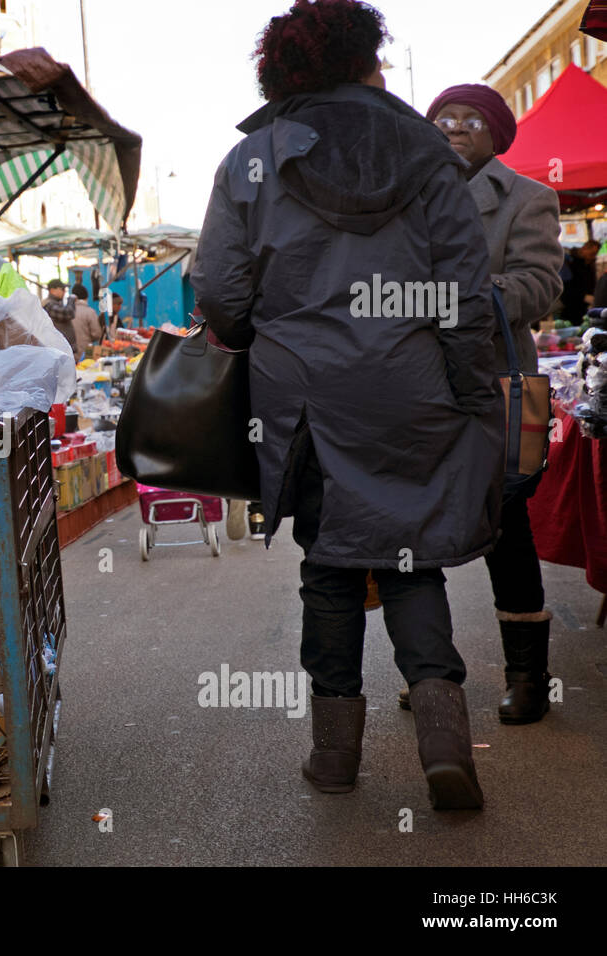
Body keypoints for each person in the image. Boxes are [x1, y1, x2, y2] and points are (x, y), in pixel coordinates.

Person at [191, 0, 504, 810]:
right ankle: (443, 742)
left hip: (303, 403)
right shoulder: (428, 154)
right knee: (411, 558)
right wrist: (475, 402)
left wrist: (277, 328)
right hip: (411, 389)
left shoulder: (253, 159)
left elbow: (221, 293)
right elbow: (467, 298)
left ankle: (334, 760)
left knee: (329, 569)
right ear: (367, 59)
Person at [420, 84, 565, 724]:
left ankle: (528, 678)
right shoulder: (409, 198)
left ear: (497, 135)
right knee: (417, 529)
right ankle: (430, 675)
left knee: (506, 529)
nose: (453, 126)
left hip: (501, 386)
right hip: (419, 388)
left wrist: (449, 296)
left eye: (470, 119)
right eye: (442, 117)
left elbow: (538, 287)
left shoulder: (528, 198)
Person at [560, 240, 601, 324]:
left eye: (595, 254)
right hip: (573, 311)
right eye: (591, 254)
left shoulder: (589, 267)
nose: (593, 257)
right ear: (583, 249)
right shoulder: (572, 265)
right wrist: (583, 296)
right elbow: (566, 290)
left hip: (587, 310)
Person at [41, 279, 79, 355]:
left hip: (62, 350)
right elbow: (68, 313)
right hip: (59, 351)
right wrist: (71, 300)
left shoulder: (55, 303)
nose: (64, 292)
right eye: (62, 289)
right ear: (52, 290)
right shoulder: (49, 305)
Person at [72, 283, 102, 360]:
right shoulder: (90, 312)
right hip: (85, 352)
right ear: (86, 297)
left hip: (69, 352)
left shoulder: (66, 312)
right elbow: (97, 334)